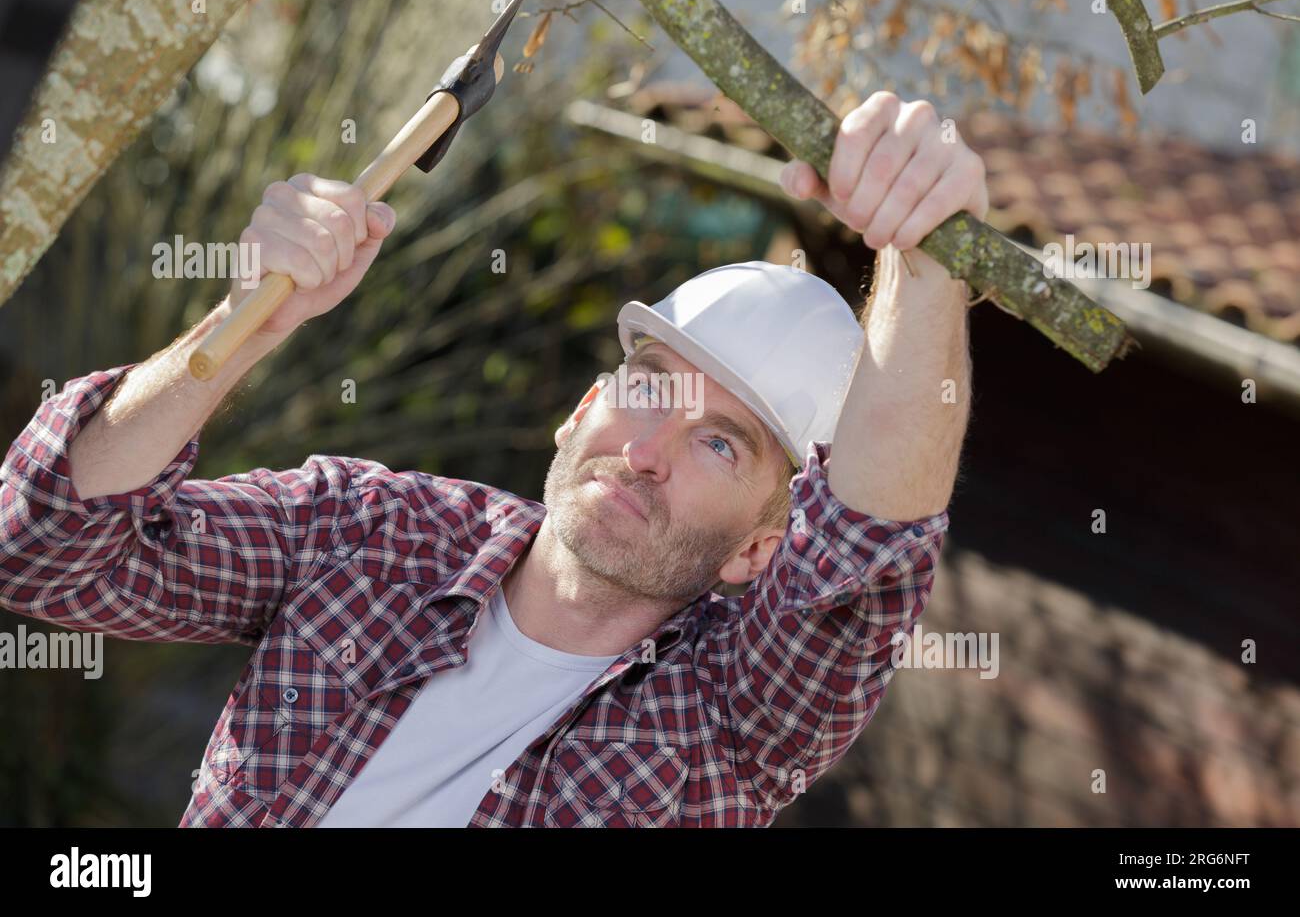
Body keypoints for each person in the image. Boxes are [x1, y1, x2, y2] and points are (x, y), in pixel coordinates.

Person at [0, 91, 986, 827]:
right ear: (583, 406)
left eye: (720, 443)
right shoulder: (368, 531)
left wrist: (926, 250)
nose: (646, 452)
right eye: (649, 390)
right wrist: (248, 321)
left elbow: (865, 538)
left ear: (757, 552)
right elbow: (43, 549)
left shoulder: (729, 724)